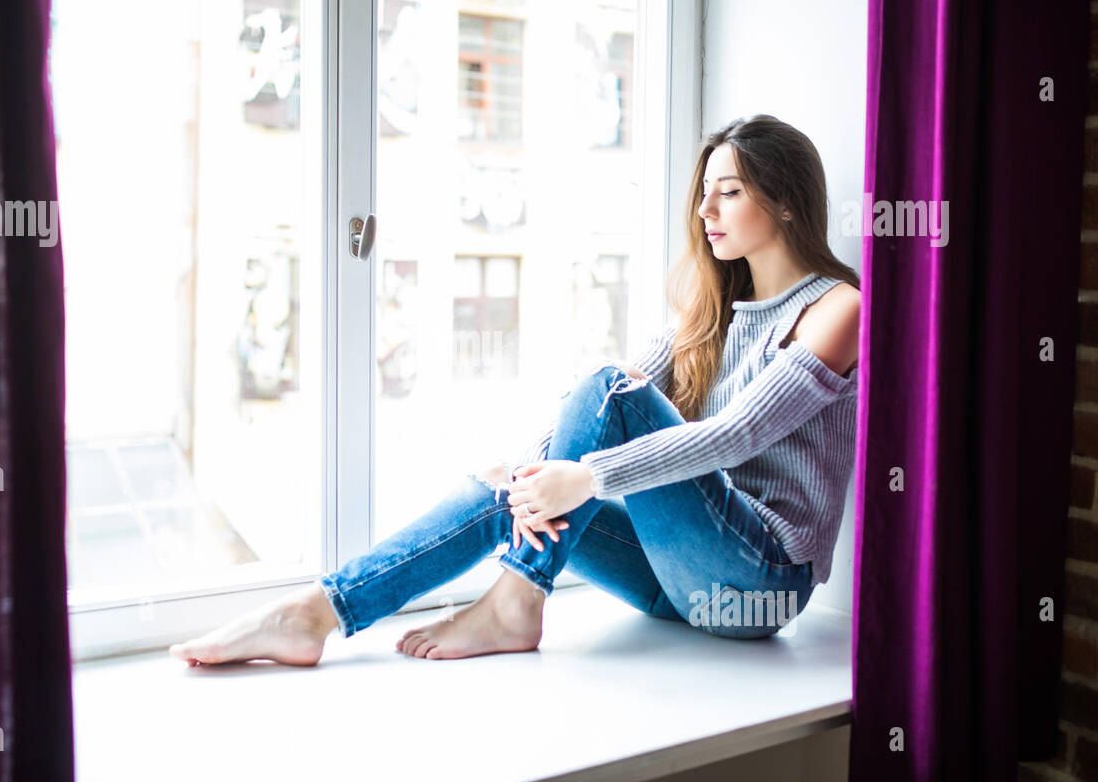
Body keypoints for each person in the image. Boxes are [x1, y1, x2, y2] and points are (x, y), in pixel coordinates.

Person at [169, 114, 861, 666]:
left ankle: (515, 598)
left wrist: (585, 477)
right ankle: (316, 612)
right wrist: (531, 479)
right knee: (519, 477)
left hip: (758, 582)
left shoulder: (837, 308)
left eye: (730, 190)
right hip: (675, 582)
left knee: (605, 391)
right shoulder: (706, 316)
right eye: (704, 190)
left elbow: (735, 434)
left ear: (787, 202)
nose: (705, 207)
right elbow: (594, 418)